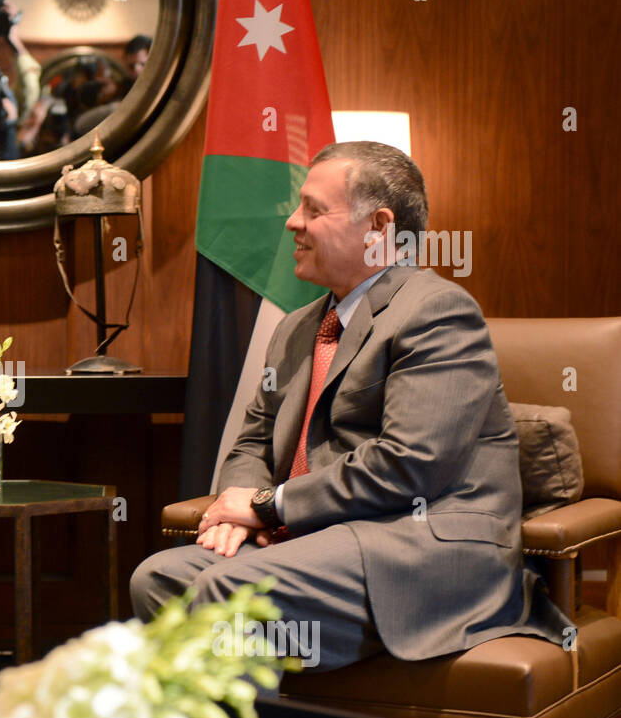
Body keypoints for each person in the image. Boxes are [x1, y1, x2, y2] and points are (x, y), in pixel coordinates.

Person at [130, 141, 570, 672]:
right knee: (159, 579)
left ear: (379, 226)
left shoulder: (437, 312)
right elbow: (253, 439)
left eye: (313, 209)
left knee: (228, 587)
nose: (293, 222)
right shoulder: (297, 328)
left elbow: (411, 464)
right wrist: (240, 508)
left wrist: (270, 506)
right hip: (322, 538)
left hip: (421, 547)